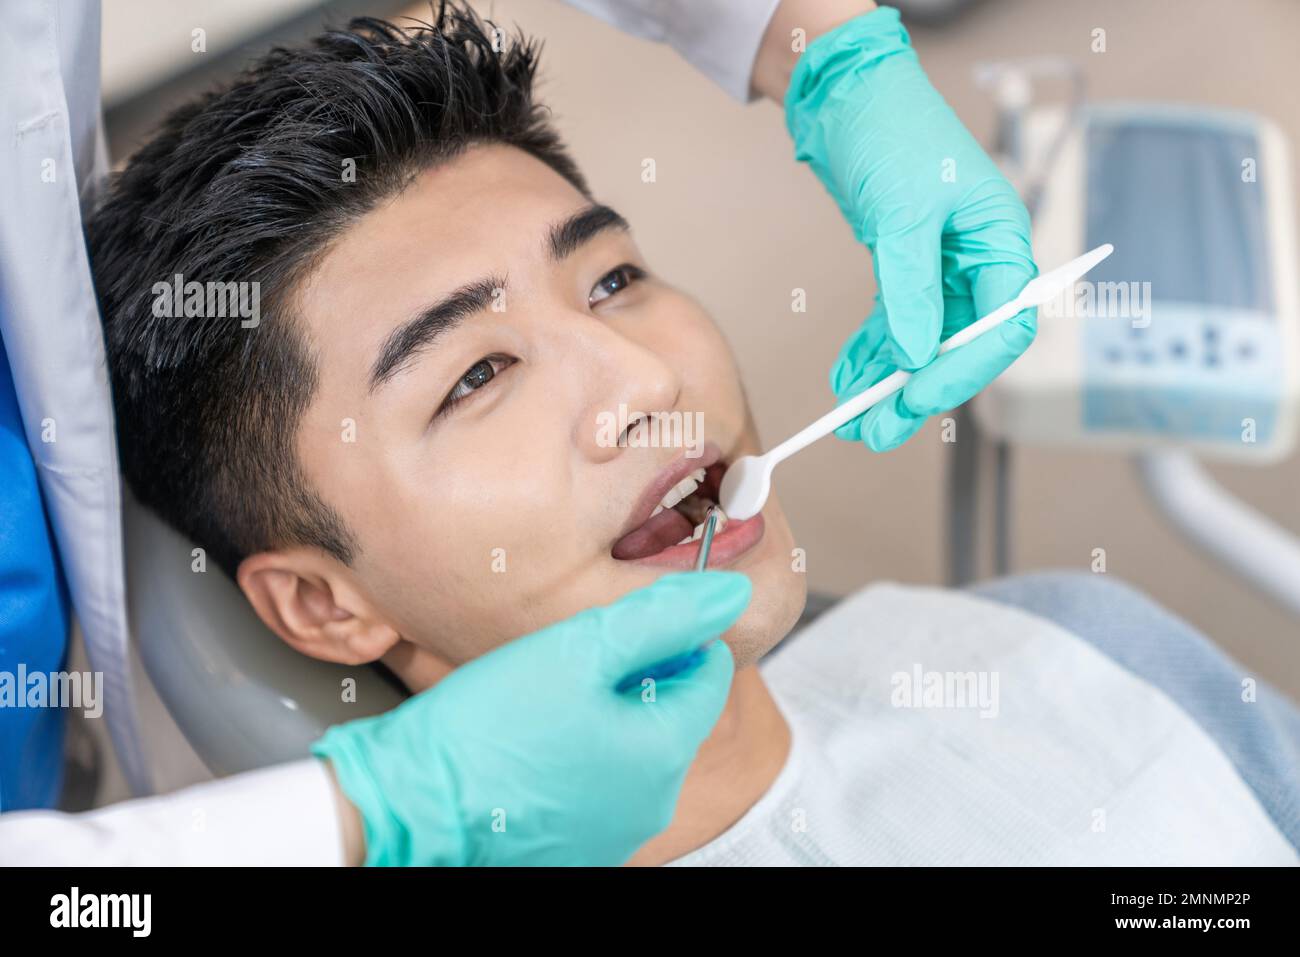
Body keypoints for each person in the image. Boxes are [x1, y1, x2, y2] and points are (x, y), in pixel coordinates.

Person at [82, 8, 1300, 865]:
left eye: (612, 281)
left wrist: (834, 56)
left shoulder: (1073, 639)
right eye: (477, 375)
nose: (642, 375)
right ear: (323, 607)